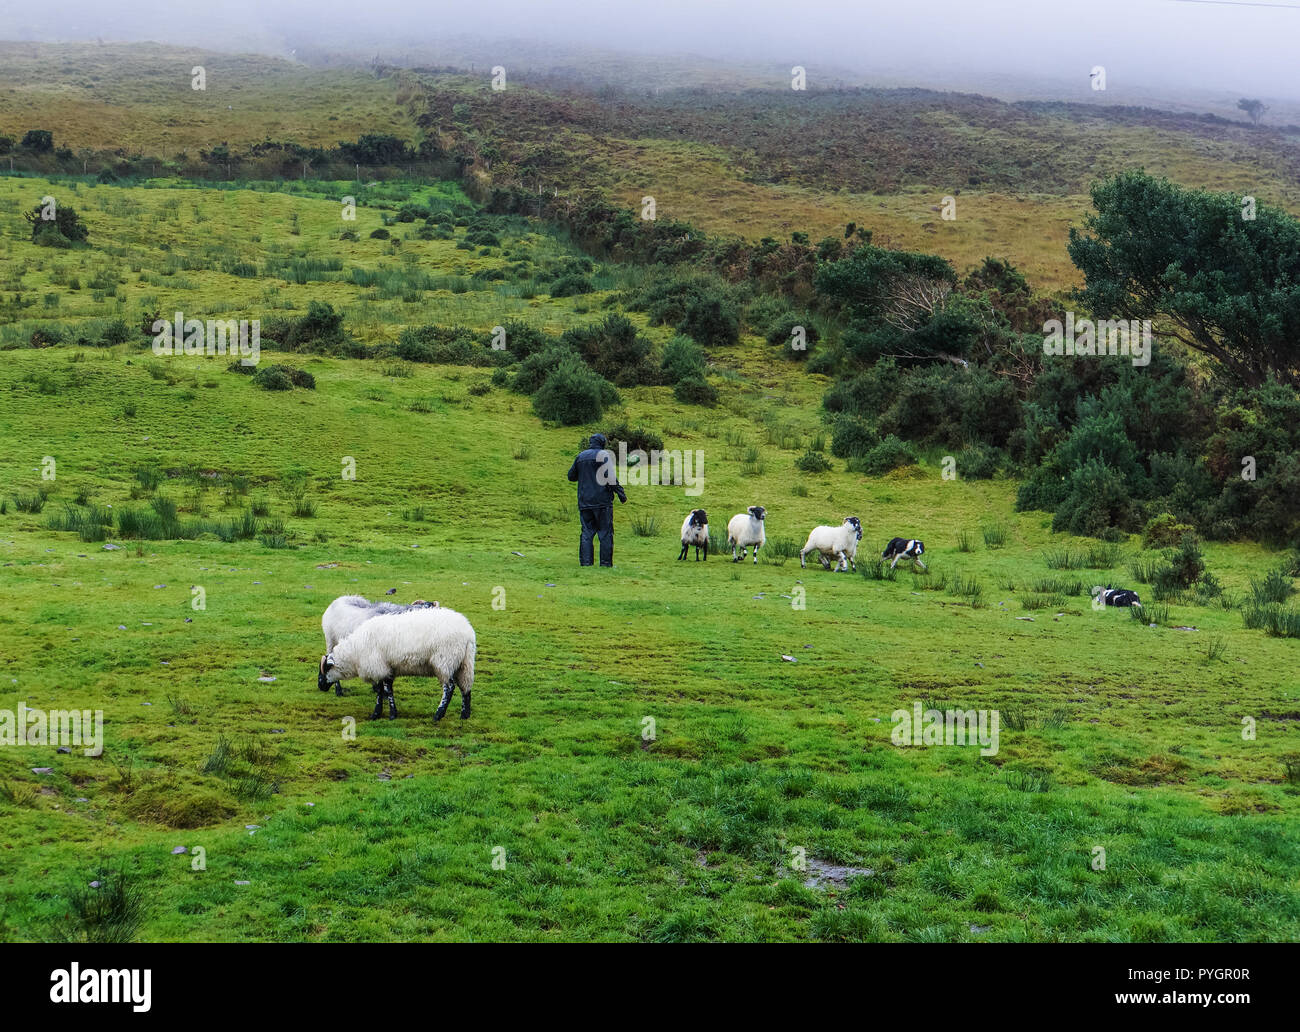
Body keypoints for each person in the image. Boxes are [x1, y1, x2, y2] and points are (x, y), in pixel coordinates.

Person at [567, 433, 626, 567]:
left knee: (587, 532)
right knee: (605, 533)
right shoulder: (604, 456)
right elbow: (610, 478)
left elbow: (571, 476)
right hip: (602, 501)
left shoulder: (581, 456)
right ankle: (605, 563)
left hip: (584, 501)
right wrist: (621, 493)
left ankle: (586, 563)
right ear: (602, 443)